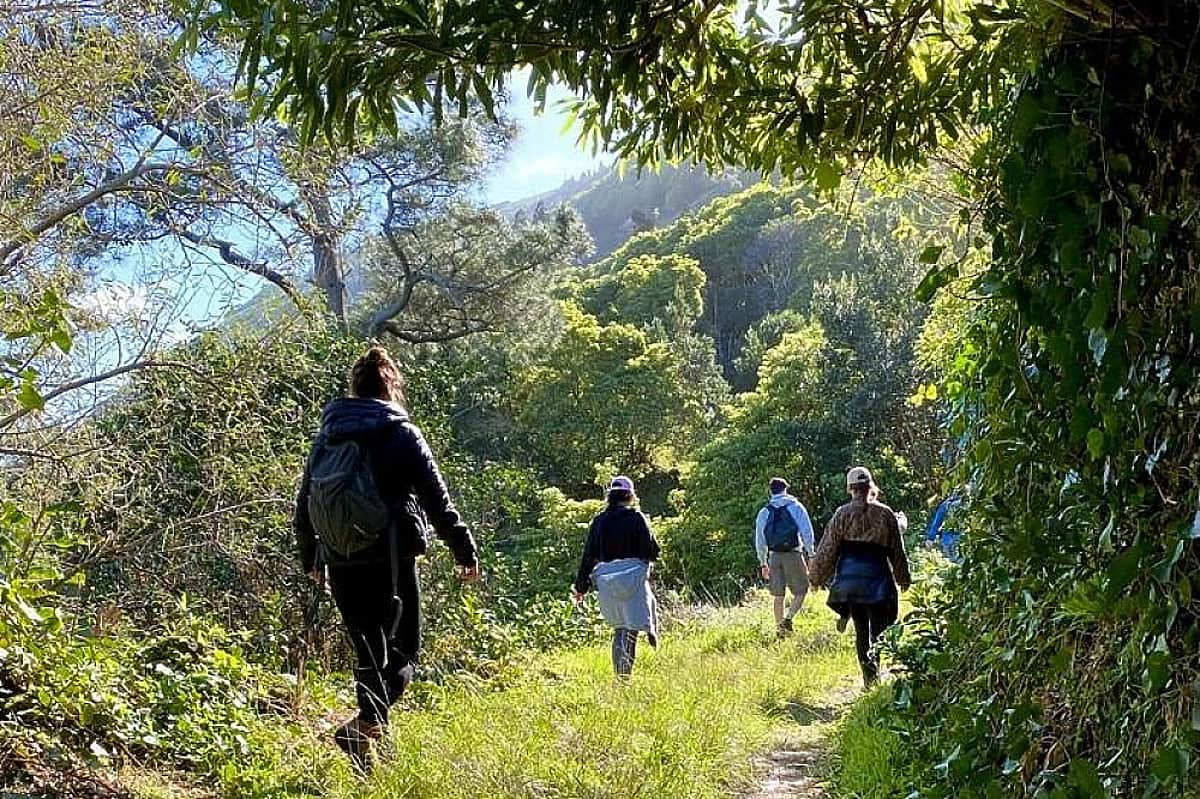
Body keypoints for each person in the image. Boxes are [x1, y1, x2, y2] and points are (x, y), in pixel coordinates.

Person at [295, 346, 480, 770]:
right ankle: (364, 725)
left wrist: (311, 556)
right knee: (405, 651)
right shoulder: (400, 432)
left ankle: (369, 744)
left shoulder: (329, 434)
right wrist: (464, 549)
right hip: (390, 556)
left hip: (339, 556)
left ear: (354, 389)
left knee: (367, 651)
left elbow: (305, 500)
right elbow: (437, 500)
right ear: (391, 387)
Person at [809, 466, 911, 688]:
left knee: (861, 631)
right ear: (871, 486)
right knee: (879, 631)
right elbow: (897, 551)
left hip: (851, 583)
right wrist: (903, 578)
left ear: (850, 489)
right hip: (879, 581)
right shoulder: (885, 514)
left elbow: (827, 549)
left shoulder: (841, 514)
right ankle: (876, 673)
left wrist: (816, 578)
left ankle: (869, 680)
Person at [572, 476, 661, 677]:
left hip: (606, 582)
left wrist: (581, 588)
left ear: (609, 496)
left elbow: (588, 556)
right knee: (631, 630)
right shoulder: (636, 518)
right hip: (633, 578)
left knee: (620, 629)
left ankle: (621, 677)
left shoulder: (599, 522)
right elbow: (652, 550)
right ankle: (625, 676)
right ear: (630, 495)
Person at [753, 477, 816, 636]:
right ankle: (788, 619)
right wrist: (811, 554)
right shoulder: (796, 507)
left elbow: (760, 540)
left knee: (778, 595)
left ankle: (779, 630)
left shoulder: (764, 512)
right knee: (802, 591)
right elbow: (806, 532)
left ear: (771, 491)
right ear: (785, 489)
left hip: (774, 556)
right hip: (793, 553)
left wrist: (762, 562)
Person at [925, 491, 963, 562]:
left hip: (947, 541)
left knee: (951, 565)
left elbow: (936, 524)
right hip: (962, 540)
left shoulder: (945, 505)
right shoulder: (965, 505)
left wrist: (930, 539)